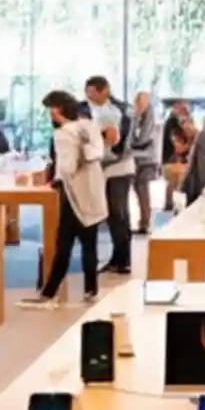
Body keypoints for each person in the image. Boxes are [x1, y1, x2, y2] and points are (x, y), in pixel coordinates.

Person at [18, 91, 107, 310]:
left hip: (73, 194)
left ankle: (49, 293)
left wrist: (49, 180)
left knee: (64, 245)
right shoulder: (89, 127)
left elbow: (67, 167)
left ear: (57, 110)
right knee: (89, 244)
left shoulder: (64, 134)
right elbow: (97, 154)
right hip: (93, 193)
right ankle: (90, 290)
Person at [84, 76, 134, 275]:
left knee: (118, 214)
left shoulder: (119, 110)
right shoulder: (87, 109)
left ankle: (122, 260)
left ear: (104, 90)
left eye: (91, 92)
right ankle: (113, 258)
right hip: (100, 167)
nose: (88, 96)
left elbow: (121, 141)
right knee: (106, 215)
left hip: (118, 167)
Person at [131, 91, 159, 235]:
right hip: (138, 158)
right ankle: (143, 221)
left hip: (146, 159)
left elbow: (142, 139)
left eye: (140, 102)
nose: (138, 105)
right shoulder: (138, 116)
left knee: (142, 191)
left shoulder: (149, 117)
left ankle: (145, 222)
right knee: (140, 191)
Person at [162, 99, 191, 211]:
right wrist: (191, 143)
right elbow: (178, 148)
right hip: (172, 160)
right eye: (184, 110)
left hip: (171, 160)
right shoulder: (172, 124)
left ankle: (169, 204)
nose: (186, 113)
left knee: (172, 184)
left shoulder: (173, 123)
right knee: (174, 183)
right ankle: (170, 205)